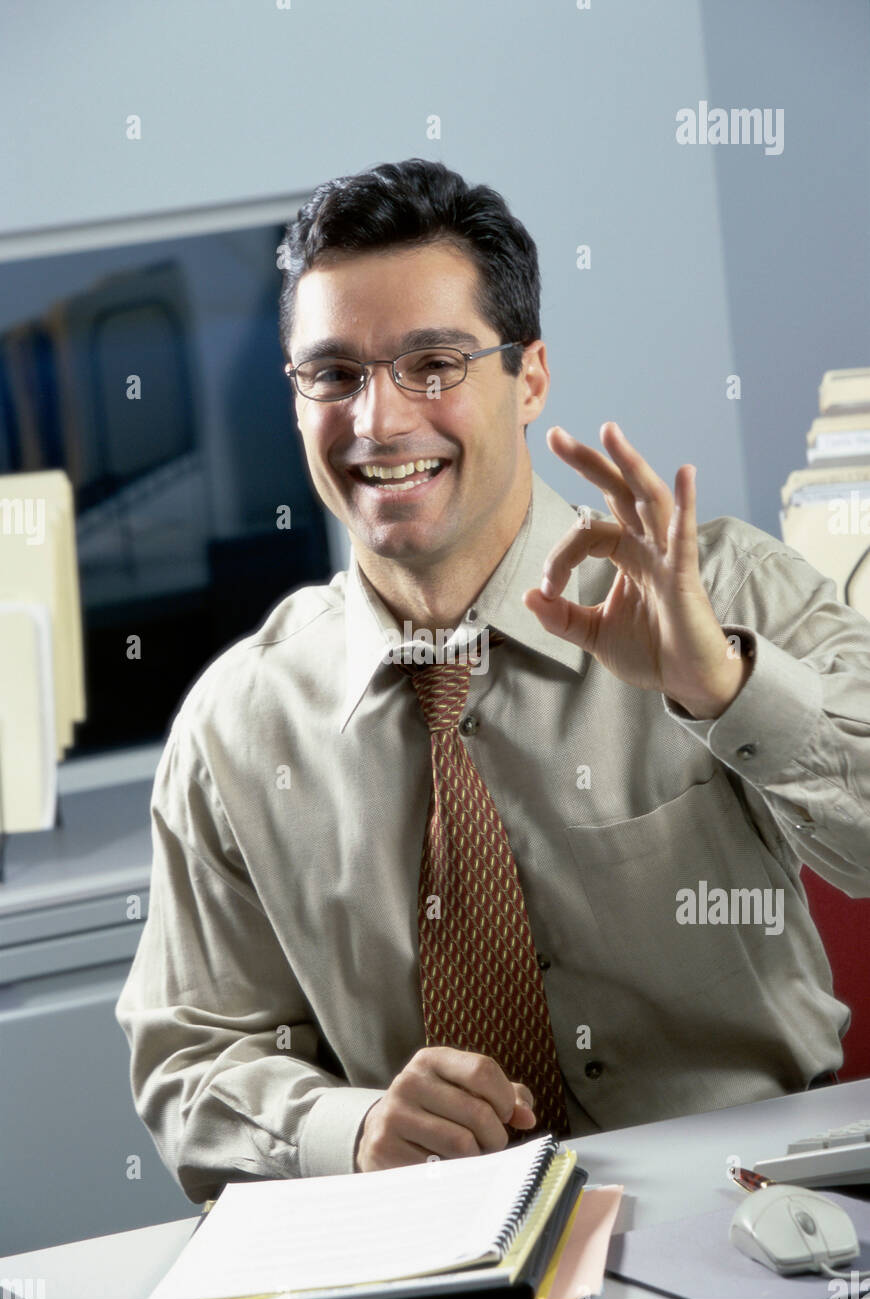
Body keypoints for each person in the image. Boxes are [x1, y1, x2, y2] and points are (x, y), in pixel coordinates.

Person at [116, 158, 870, 1204]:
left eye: (432, 362)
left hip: (752, 1219)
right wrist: (355, 1126)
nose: (377, 421)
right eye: (333, 373)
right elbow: (189, 1061)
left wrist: (727, 688)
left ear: (529, 377)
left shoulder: (719, 587)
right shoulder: (237, 729)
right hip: (431, 1248)